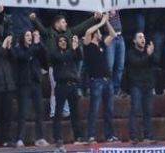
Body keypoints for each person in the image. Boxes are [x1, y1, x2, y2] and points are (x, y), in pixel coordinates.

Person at [83, 14, 117, 143]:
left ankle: (109, 135)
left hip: (107, 80)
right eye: (98, 32)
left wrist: (107, 22)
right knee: (94, 110)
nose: (100, 34)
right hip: (96, 80)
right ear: (95, 34)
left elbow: (113, 35)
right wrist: (101, 23)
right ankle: (91, 135)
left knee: (109, 110)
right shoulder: (88, 45)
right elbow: (87, 31)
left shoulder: (102, 44)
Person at [49, 34, 84, 146]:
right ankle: (58, 138)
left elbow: (80, 56)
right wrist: (72, 49)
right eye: (60, 41)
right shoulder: (54, 54)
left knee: (75, 113)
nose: (63, 42)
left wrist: (77, 46)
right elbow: (62, 58)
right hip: (61, 85)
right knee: (58, 113)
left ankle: (78, 137)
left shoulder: (72, 51)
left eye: (65, 40)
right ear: (57, 43)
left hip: (72, 84)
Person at [125, 31, 156, 143]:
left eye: (143, 37)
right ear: (134, 41)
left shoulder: (147, 52)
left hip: (147, 85)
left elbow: (154, 63)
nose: (143, 39)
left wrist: (151, 54)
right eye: (140, 37)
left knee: (148, 110)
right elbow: (137, 63)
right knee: (135, 109)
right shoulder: (130, 53)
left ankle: (148, 135)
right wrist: (148, 55)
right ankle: (133, 136)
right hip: (136, 85)